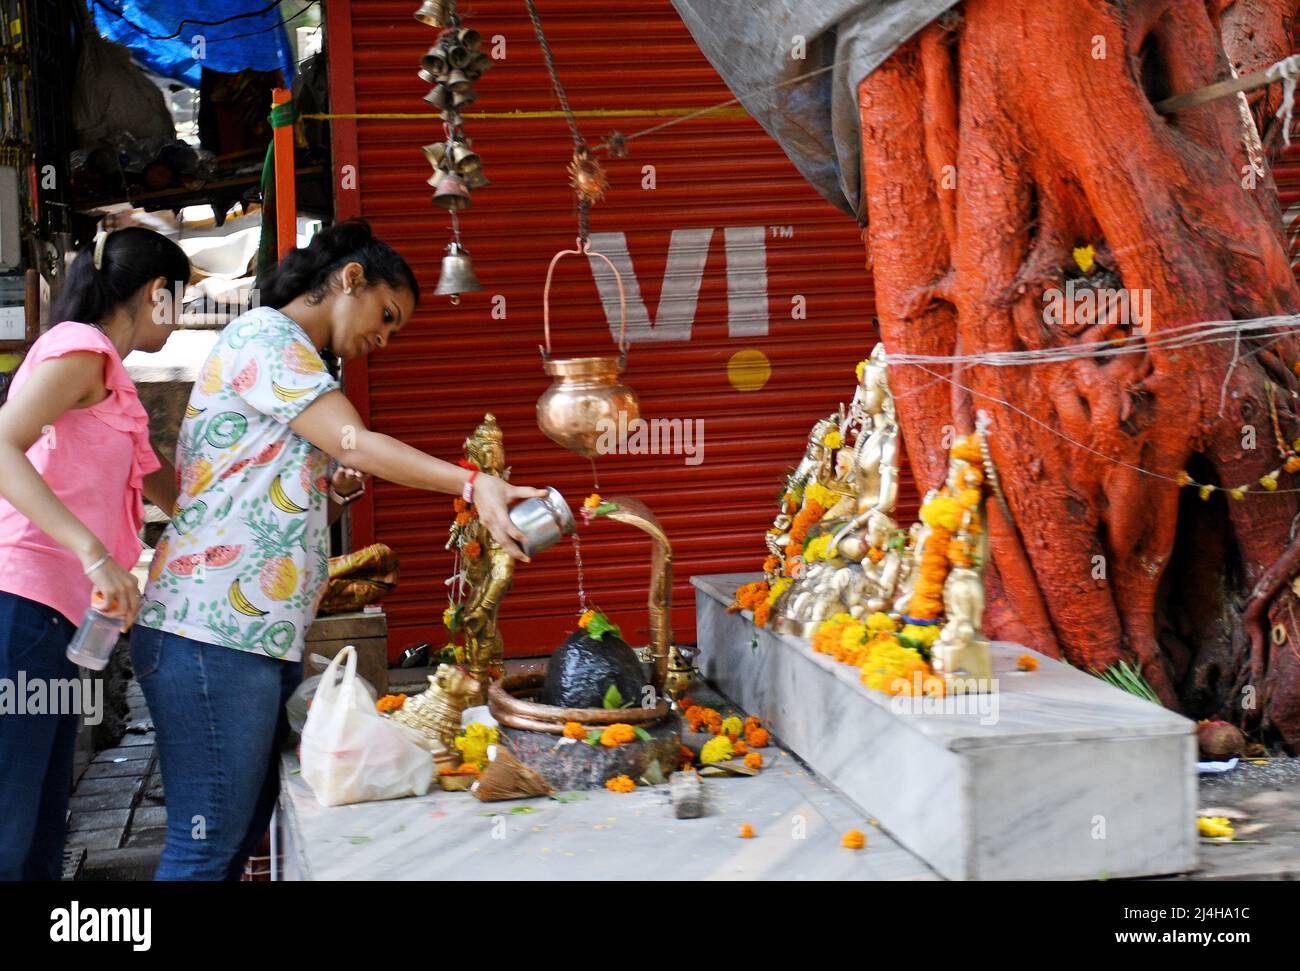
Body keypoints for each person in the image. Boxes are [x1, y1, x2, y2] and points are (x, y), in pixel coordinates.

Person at [131, 218, 547, 880]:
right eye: (386, 315)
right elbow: (353, 441)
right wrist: (473, 481)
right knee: (207, 843)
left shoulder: (294, 360)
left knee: (234, 838)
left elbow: (279, 503)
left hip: (251, 636)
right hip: (210, 633)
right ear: (350, 278)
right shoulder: (269, 338)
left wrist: (333, 494)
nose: (382, 338)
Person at [0, 227, 190, 880]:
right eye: (182, 301)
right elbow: (1, 445)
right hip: (19, 603)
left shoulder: (115, 380)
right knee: (13, 823)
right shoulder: (79, 350)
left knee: (45, 817)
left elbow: (167, 486)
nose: (183, 316)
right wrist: (90, 551)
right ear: (158, 293)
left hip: (57, 620)